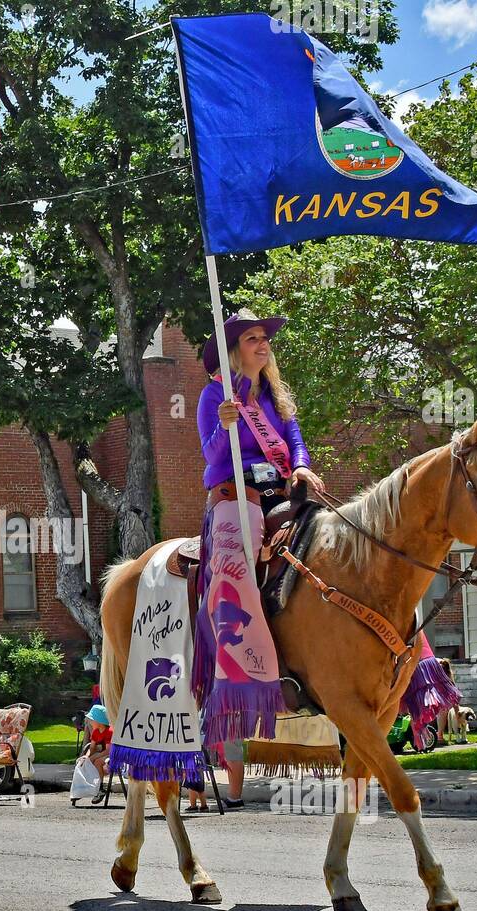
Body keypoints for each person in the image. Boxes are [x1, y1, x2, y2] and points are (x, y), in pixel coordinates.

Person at [193, 312, 324, 807]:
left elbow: (295, 442)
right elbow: (210, 459)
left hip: (280, 489)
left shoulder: (274, 397)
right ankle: (240, 655)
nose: (263, 344)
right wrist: (222, 429)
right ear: (235, 351)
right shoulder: (214, 398)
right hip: (236, 493)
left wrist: (305, 468)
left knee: (334, 534)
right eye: (253, 339)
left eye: (265, 338)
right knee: (240, 543)